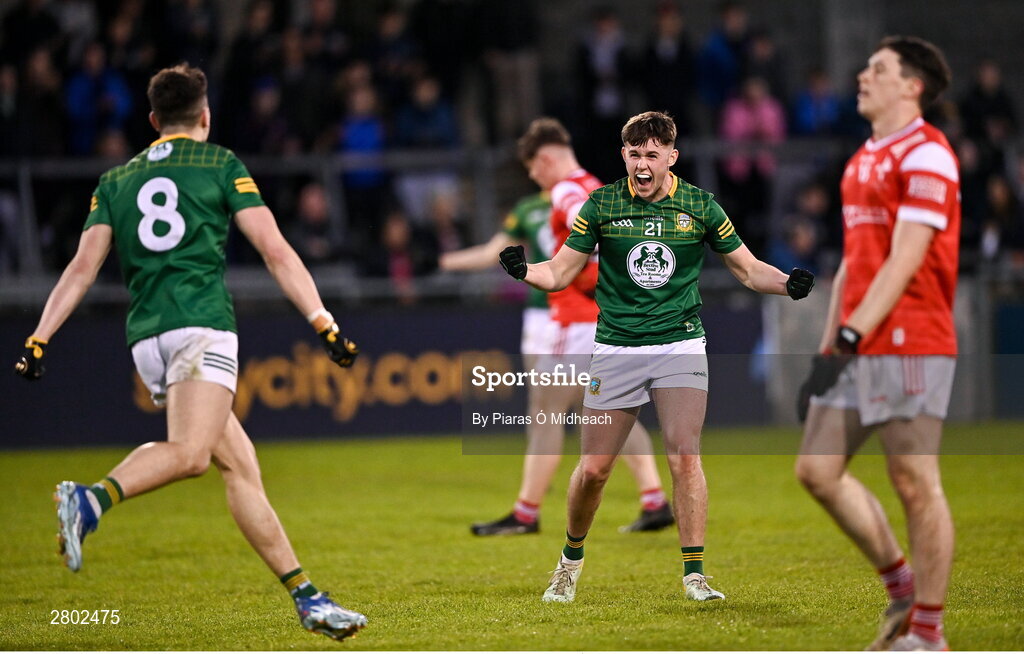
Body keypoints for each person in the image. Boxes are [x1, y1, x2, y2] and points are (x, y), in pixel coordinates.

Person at [12, 64, 366, 642]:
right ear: (205, 116)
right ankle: (89, 499)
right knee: (193, 454)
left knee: (241, 468)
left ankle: (309, 599)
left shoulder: (115, 181)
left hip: (147, 339)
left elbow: (81, 269)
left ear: (153, 121)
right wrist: (323, 321)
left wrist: (40, 336)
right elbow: (276, 252)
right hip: (201, 328)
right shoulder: (221, 163)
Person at [498, 111, 814, 603]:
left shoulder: (701, 206)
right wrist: (525, 272)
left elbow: (749, 270)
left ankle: (694, 575)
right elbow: (560, 272)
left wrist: (787, 284)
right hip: (617, 346)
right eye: (634, 155)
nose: (642, 165)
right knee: (595, 469)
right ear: (623, 155)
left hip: (680, 343)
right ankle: (569, 561)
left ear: (671, 157)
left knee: (685, 455)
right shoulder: (601, 204)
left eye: (652, 155)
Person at [794, 37, 959, 651]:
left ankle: (928, 634)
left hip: (911, 338)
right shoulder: (864, 157)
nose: (863, 75)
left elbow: (907, 258)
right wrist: (827, 346)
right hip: (859, 339)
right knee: (816, 469)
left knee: (914, 481)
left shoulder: (929, 154)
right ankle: (902, 586)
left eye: (879, 69)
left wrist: (853, 332)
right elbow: (855, 263)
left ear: (912, 86)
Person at [444, 118, 675, 536]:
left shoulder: (568, 190)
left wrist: (593, 257)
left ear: (546, 159)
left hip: (576, 319)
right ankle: (654, 499)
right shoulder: (599, 185)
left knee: (546, 411)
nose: (534, 176)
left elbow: (583, 223)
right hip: (607, 320)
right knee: (611, 414)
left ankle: (525, 513)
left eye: (533, 168)